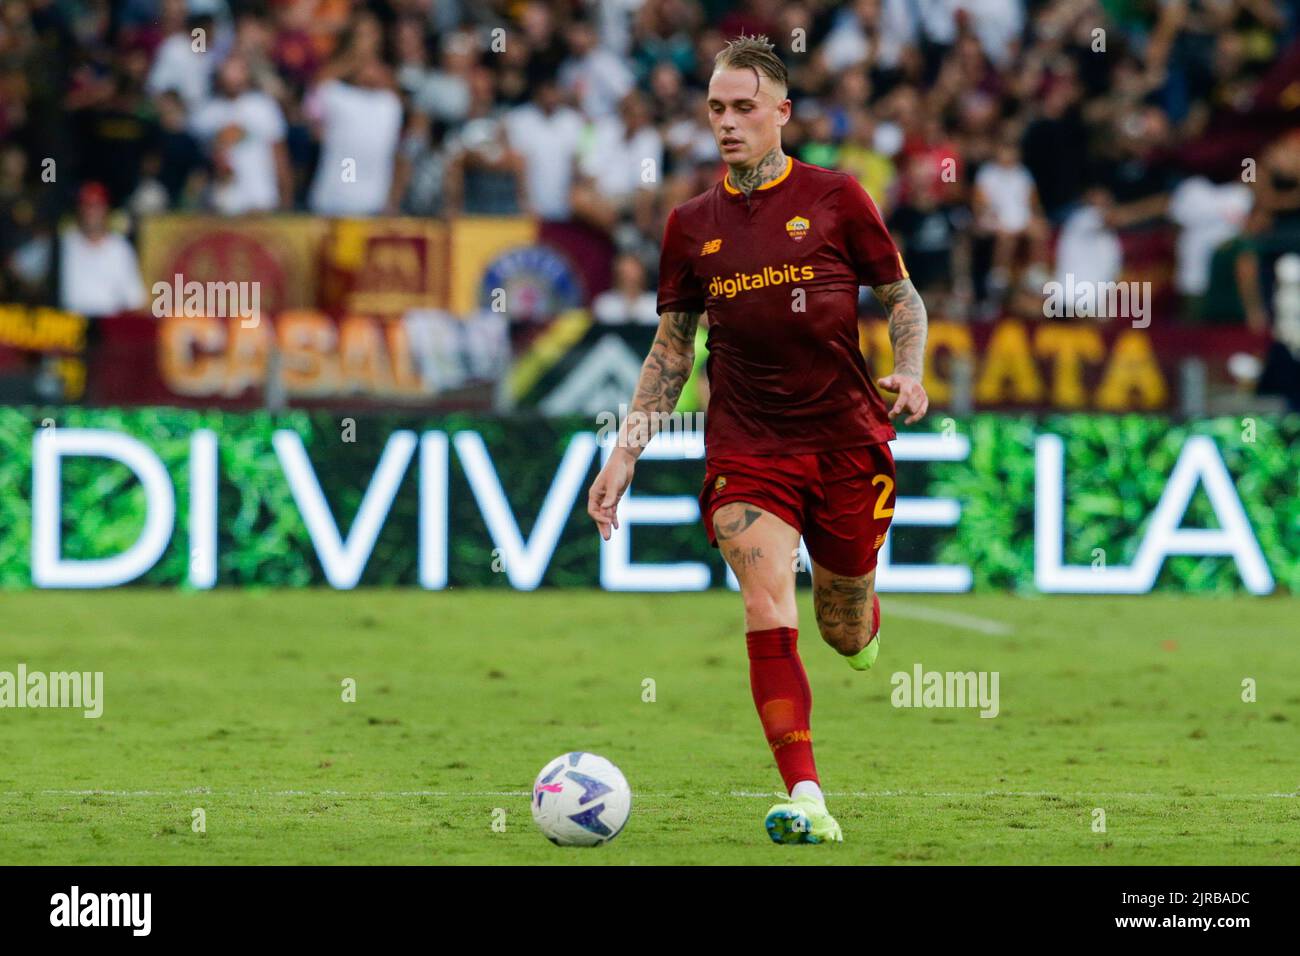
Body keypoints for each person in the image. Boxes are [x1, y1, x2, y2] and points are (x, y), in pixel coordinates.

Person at [586, 34, 929, 845]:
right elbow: (673, 349)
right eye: (716, 108)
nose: (729, 123)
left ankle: (860, 622)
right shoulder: (690, 225)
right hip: (747, 449)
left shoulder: (839, 197)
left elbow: (901, 296)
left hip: (847, 440)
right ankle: (807, 795)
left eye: (745, 107)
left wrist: (910, 370)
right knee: (764, 600)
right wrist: (626, 449)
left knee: (840, 625)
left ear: (782, 112)